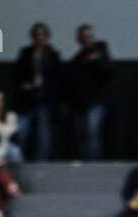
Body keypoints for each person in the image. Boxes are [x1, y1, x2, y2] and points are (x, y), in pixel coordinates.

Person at [13, 22, 62, 161]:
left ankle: (42, 164)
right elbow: (17, 76)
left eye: (43, 35)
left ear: (47, 37)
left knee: (44, 136)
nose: (40, 38)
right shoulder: (25, 53)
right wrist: (25, 85)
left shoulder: (53, 55)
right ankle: (19, 161)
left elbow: (58, 79)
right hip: (26, 100)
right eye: (37, 35)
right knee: (21, 132)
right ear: (32, 37)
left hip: (45, 101)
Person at [63, 24, 112, 161]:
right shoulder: (77, 59)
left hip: (96, 101)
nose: (87, 40)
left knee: (92, 132)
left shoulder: (101, 51)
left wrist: (98, 60)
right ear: (79, 39)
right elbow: (72, 83)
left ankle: (93, 163)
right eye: (83, 37)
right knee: (81, 135)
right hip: (79, 104)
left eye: (89, 37)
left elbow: (108, 71)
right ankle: (85, 162)